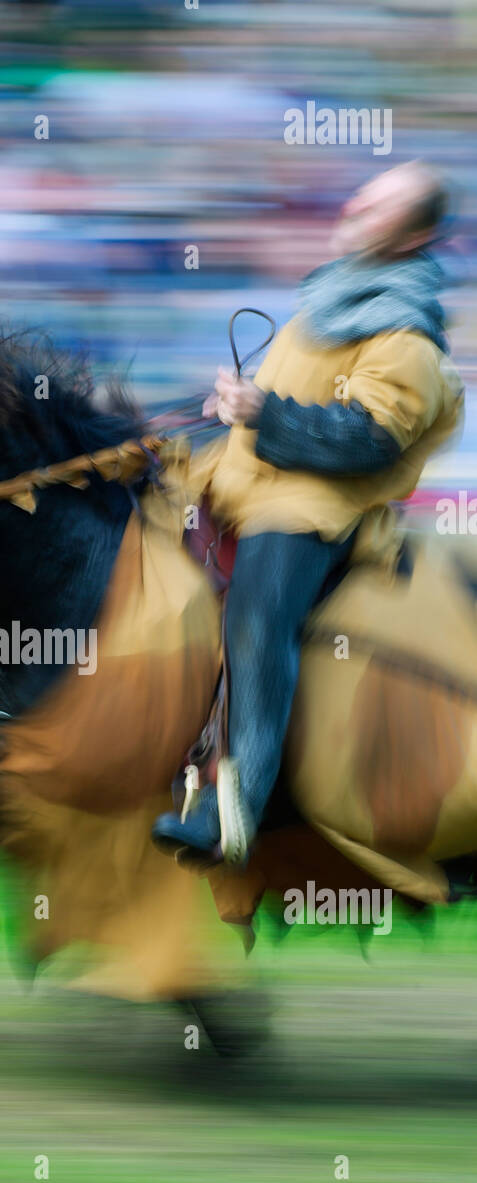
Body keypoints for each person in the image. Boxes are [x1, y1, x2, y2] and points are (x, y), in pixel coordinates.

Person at [153, 161, 464, 867]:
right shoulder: (329, 298)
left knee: (257, 619)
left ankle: (236, 811)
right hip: (234, 476)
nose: (357, 201)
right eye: (366, 190)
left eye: (380, 203)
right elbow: (291, 393)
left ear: (413, 236)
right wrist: (232, 406)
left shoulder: (406, 342)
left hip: (309, 507)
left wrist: (264, 412)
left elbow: (363, 440)